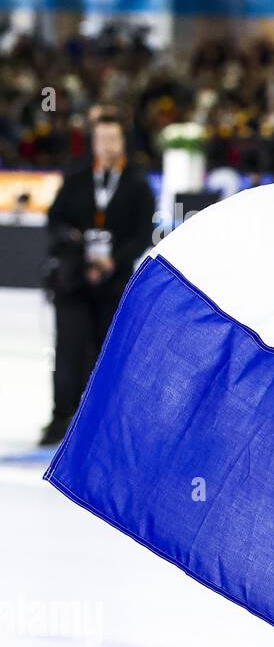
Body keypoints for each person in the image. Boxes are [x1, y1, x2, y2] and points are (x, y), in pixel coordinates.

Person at [39, 111, 157, 446]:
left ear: (123, 142)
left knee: (107, 352)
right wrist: (72, 244)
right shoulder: (76, 176)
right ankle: (61, 418)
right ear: (93, 141)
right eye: (101, 138)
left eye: (113, 139)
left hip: (113, 282)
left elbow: (142, 232)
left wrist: (112, 260)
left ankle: (98, 422)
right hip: (73, 281)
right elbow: (54, 220)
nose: (107, 145)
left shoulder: (136, 181)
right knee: (69, 350)